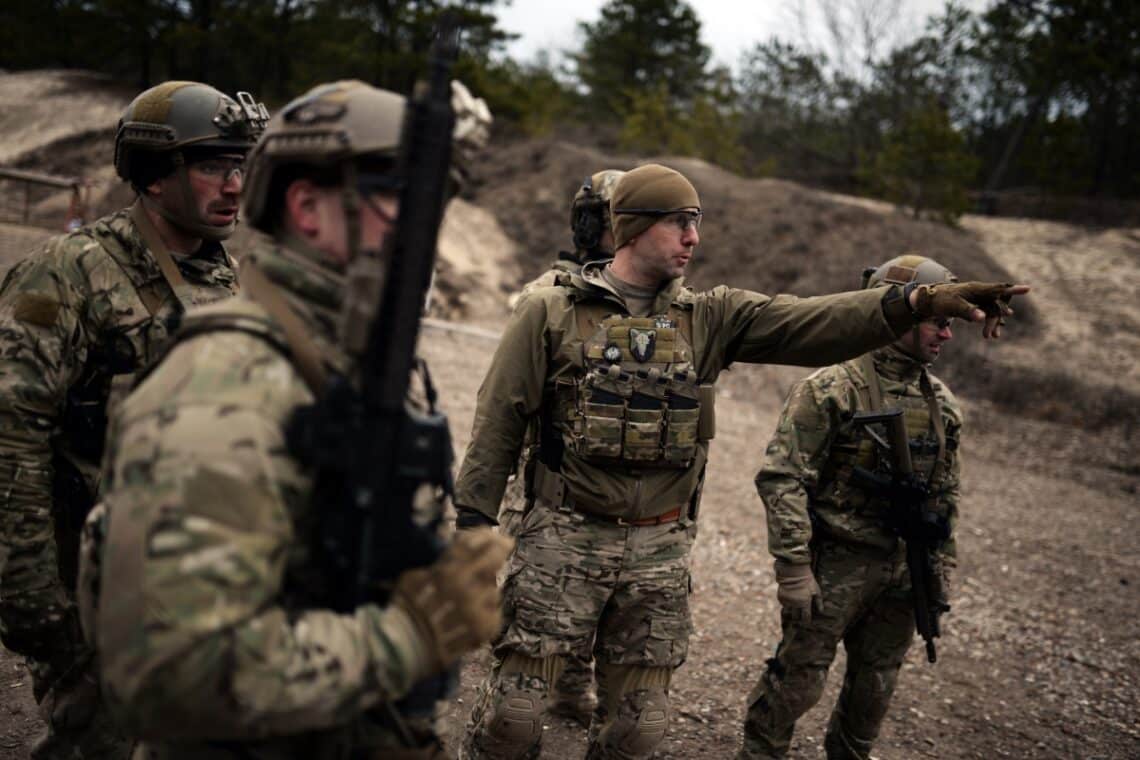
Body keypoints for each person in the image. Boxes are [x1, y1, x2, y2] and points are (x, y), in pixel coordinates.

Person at [453, 163, 1028, 760]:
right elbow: (497, 422)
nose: (693, 238)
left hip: (658, 553)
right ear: (633, 227)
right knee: (512, 723)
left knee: (638, 731)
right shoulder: (548, 310)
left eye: (696, 223)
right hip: (561, 541)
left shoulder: (710, 317)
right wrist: (472, 529)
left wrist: (919, 301)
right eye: (679, 222)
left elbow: (816, 323)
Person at [79, 79, 511, 760]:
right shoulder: (228, 384)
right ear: (309, 208)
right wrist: (407, 637)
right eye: (404, 198)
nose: (428, 230)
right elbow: (166, 677)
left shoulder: (357, 364)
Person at [0, 80, 266, 759]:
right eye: (213, 166)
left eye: (242, 166)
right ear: (153, 174)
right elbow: (11, 435)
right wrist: (31, 595)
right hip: (98, 597)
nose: (235, 185)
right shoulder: (66, 274)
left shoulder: (225, 279)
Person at [738, 254, 968, 760]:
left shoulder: (941, 403)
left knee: (876, 686)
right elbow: (783, 478)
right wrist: (795, 566)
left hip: (905, 566)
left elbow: (945, 494)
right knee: (799, 677)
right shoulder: (830, 389)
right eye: (939, 322)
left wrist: (940, 567)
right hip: (838, 562)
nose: (947, 337)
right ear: (903, 315)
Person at [499, 168, 626, 726]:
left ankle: (575, 685)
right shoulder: (547, 295)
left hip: (612, 472)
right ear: (592, 224)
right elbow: (510, 395)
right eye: (619, 220)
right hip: (544, 465)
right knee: (536, 587)